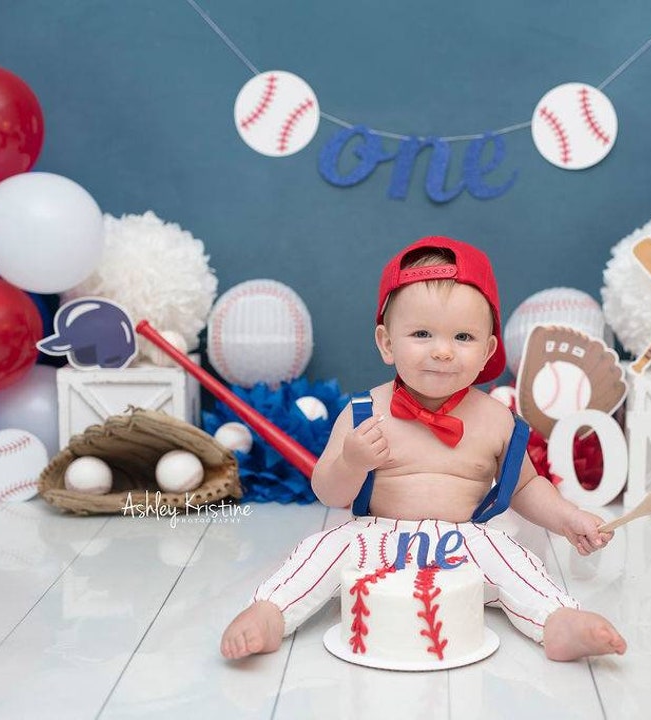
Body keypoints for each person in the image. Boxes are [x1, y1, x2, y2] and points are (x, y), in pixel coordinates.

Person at [221, 236, 626, 662]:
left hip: (463, 541)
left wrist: (568, 519)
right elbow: (329, 493)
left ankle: (556, 620)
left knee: (513, 558)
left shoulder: (495, 418)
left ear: (488, 349)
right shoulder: (364, 412)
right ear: (386, 342)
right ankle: (270, 612)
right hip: (375, 535)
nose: (443, 350)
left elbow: (526, 487)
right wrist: (352, 461)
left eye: (464, 336)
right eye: (421, 333)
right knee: (320, 550)